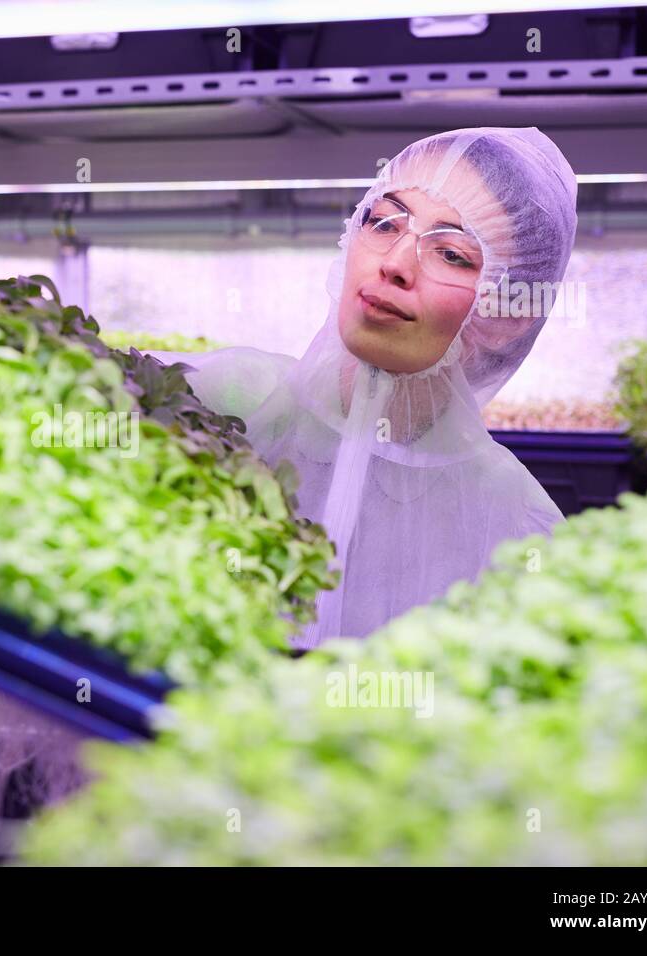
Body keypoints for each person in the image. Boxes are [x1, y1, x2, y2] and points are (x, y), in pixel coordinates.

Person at [149, 127, 578, 648]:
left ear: (509, 313)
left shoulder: (518, 523)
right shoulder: (215, 401)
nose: (395, 264)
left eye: (452, 254)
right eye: (383, 222)